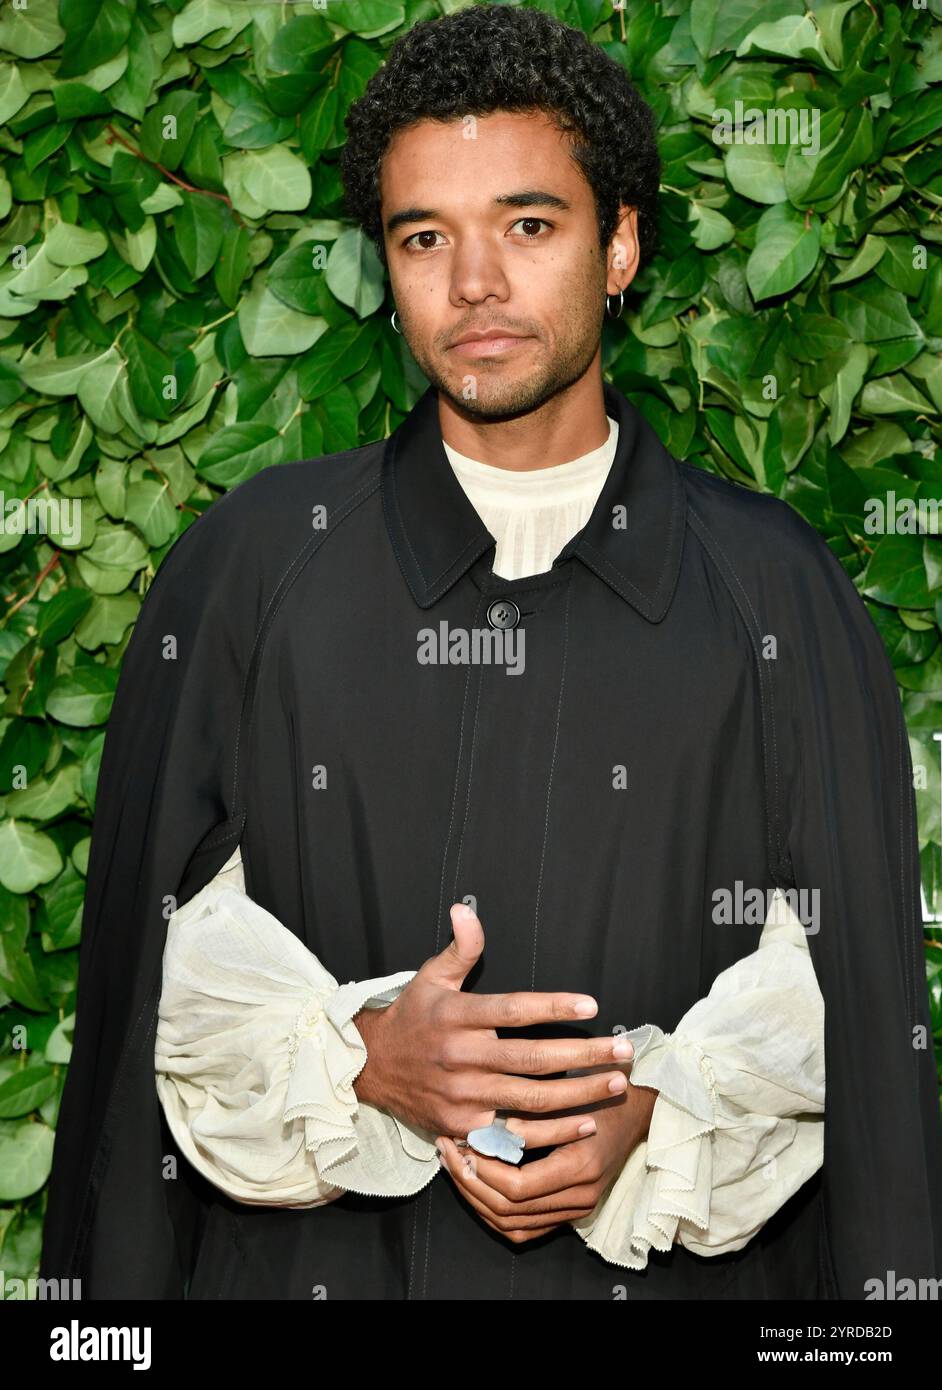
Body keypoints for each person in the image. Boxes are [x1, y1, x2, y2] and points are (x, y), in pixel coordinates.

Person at [40, 4, 941, 1300]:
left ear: (619, 241)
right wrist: (359, 1057)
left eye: (527, 225)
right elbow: (156, 1008)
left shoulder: (771, 590)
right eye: (424, 236)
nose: (473, 283)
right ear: (386, 264)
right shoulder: (249, 570)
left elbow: (844, 1015)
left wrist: (653, 1118)